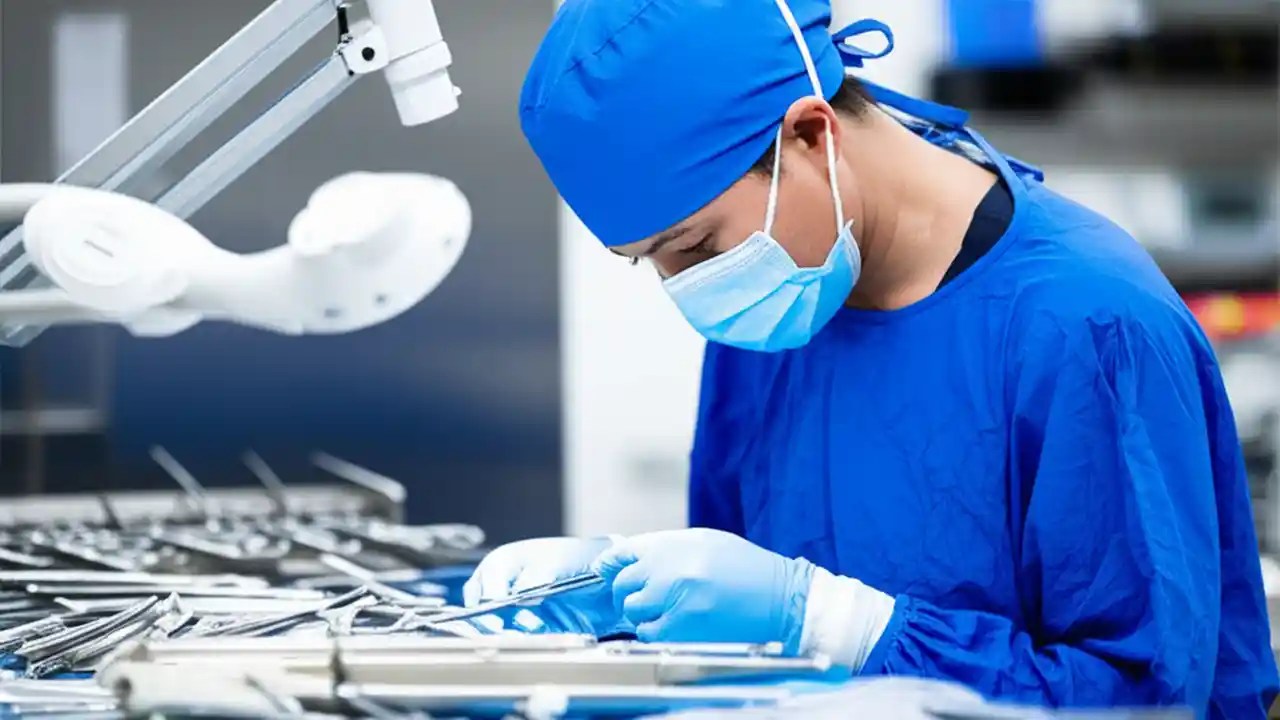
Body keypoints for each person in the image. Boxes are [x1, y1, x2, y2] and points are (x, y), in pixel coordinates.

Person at [465, 0, 1279, 715]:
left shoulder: (1087, 328)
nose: (689, 288)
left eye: (695, 245)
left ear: (813, 134)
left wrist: (840, 624)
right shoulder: (776, 314)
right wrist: (620, 604)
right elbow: (735, 641)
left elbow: (1145, 701)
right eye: (649, 260)